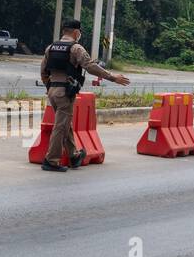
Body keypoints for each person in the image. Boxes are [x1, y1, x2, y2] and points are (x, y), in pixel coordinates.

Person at [38, 19, 129, 172]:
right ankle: (51, 160)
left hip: (53, 91)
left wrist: (50, 87)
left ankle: (74, 156)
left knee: (65, 124)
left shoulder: (51, 48)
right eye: (79, 32)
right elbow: (91, 66)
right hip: (65, 92)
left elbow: (43, 71)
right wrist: (113, 77)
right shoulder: (76, 48)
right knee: (60, 127)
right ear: (76, 32)